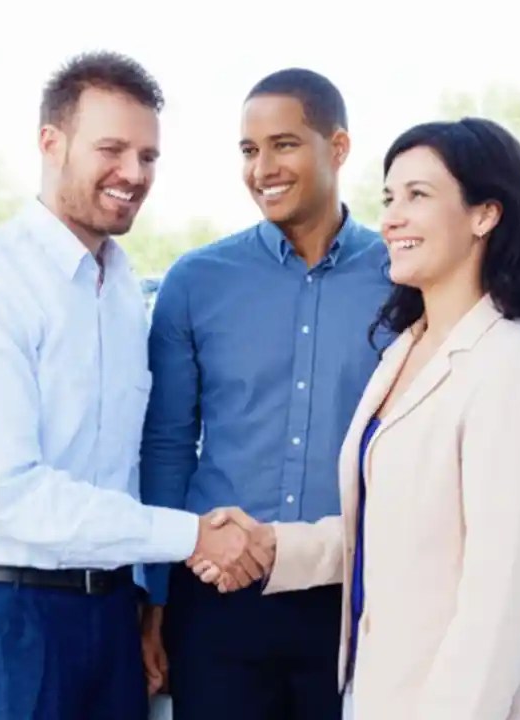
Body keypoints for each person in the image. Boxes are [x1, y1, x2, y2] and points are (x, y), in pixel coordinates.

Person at [0, 50, 256, 720]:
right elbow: (9, 495)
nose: (133, 173)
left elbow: (124, 467)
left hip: (106, 614)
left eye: (149, 156)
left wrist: (140, 599)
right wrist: (193, 537)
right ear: (51, 142)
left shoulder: (122, 289)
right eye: (112, 148)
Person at [193, 118, 520, 719]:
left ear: (485, 215)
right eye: (389, 197)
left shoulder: (513, 366)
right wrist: (274, 545)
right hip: (376, 693)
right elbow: (394, 532)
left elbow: (499, 605)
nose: (392, 217)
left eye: (418, 196)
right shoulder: (404, 350)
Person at [139, 68, 393, 719]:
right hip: (217, 599)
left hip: (353, 596)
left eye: (283, 144)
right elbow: (168, 444)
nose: (262, 168)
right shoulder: (195, 282)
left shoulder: (402, 279)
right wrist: (155, 597)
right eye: (249, 151)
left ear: (337, 148)